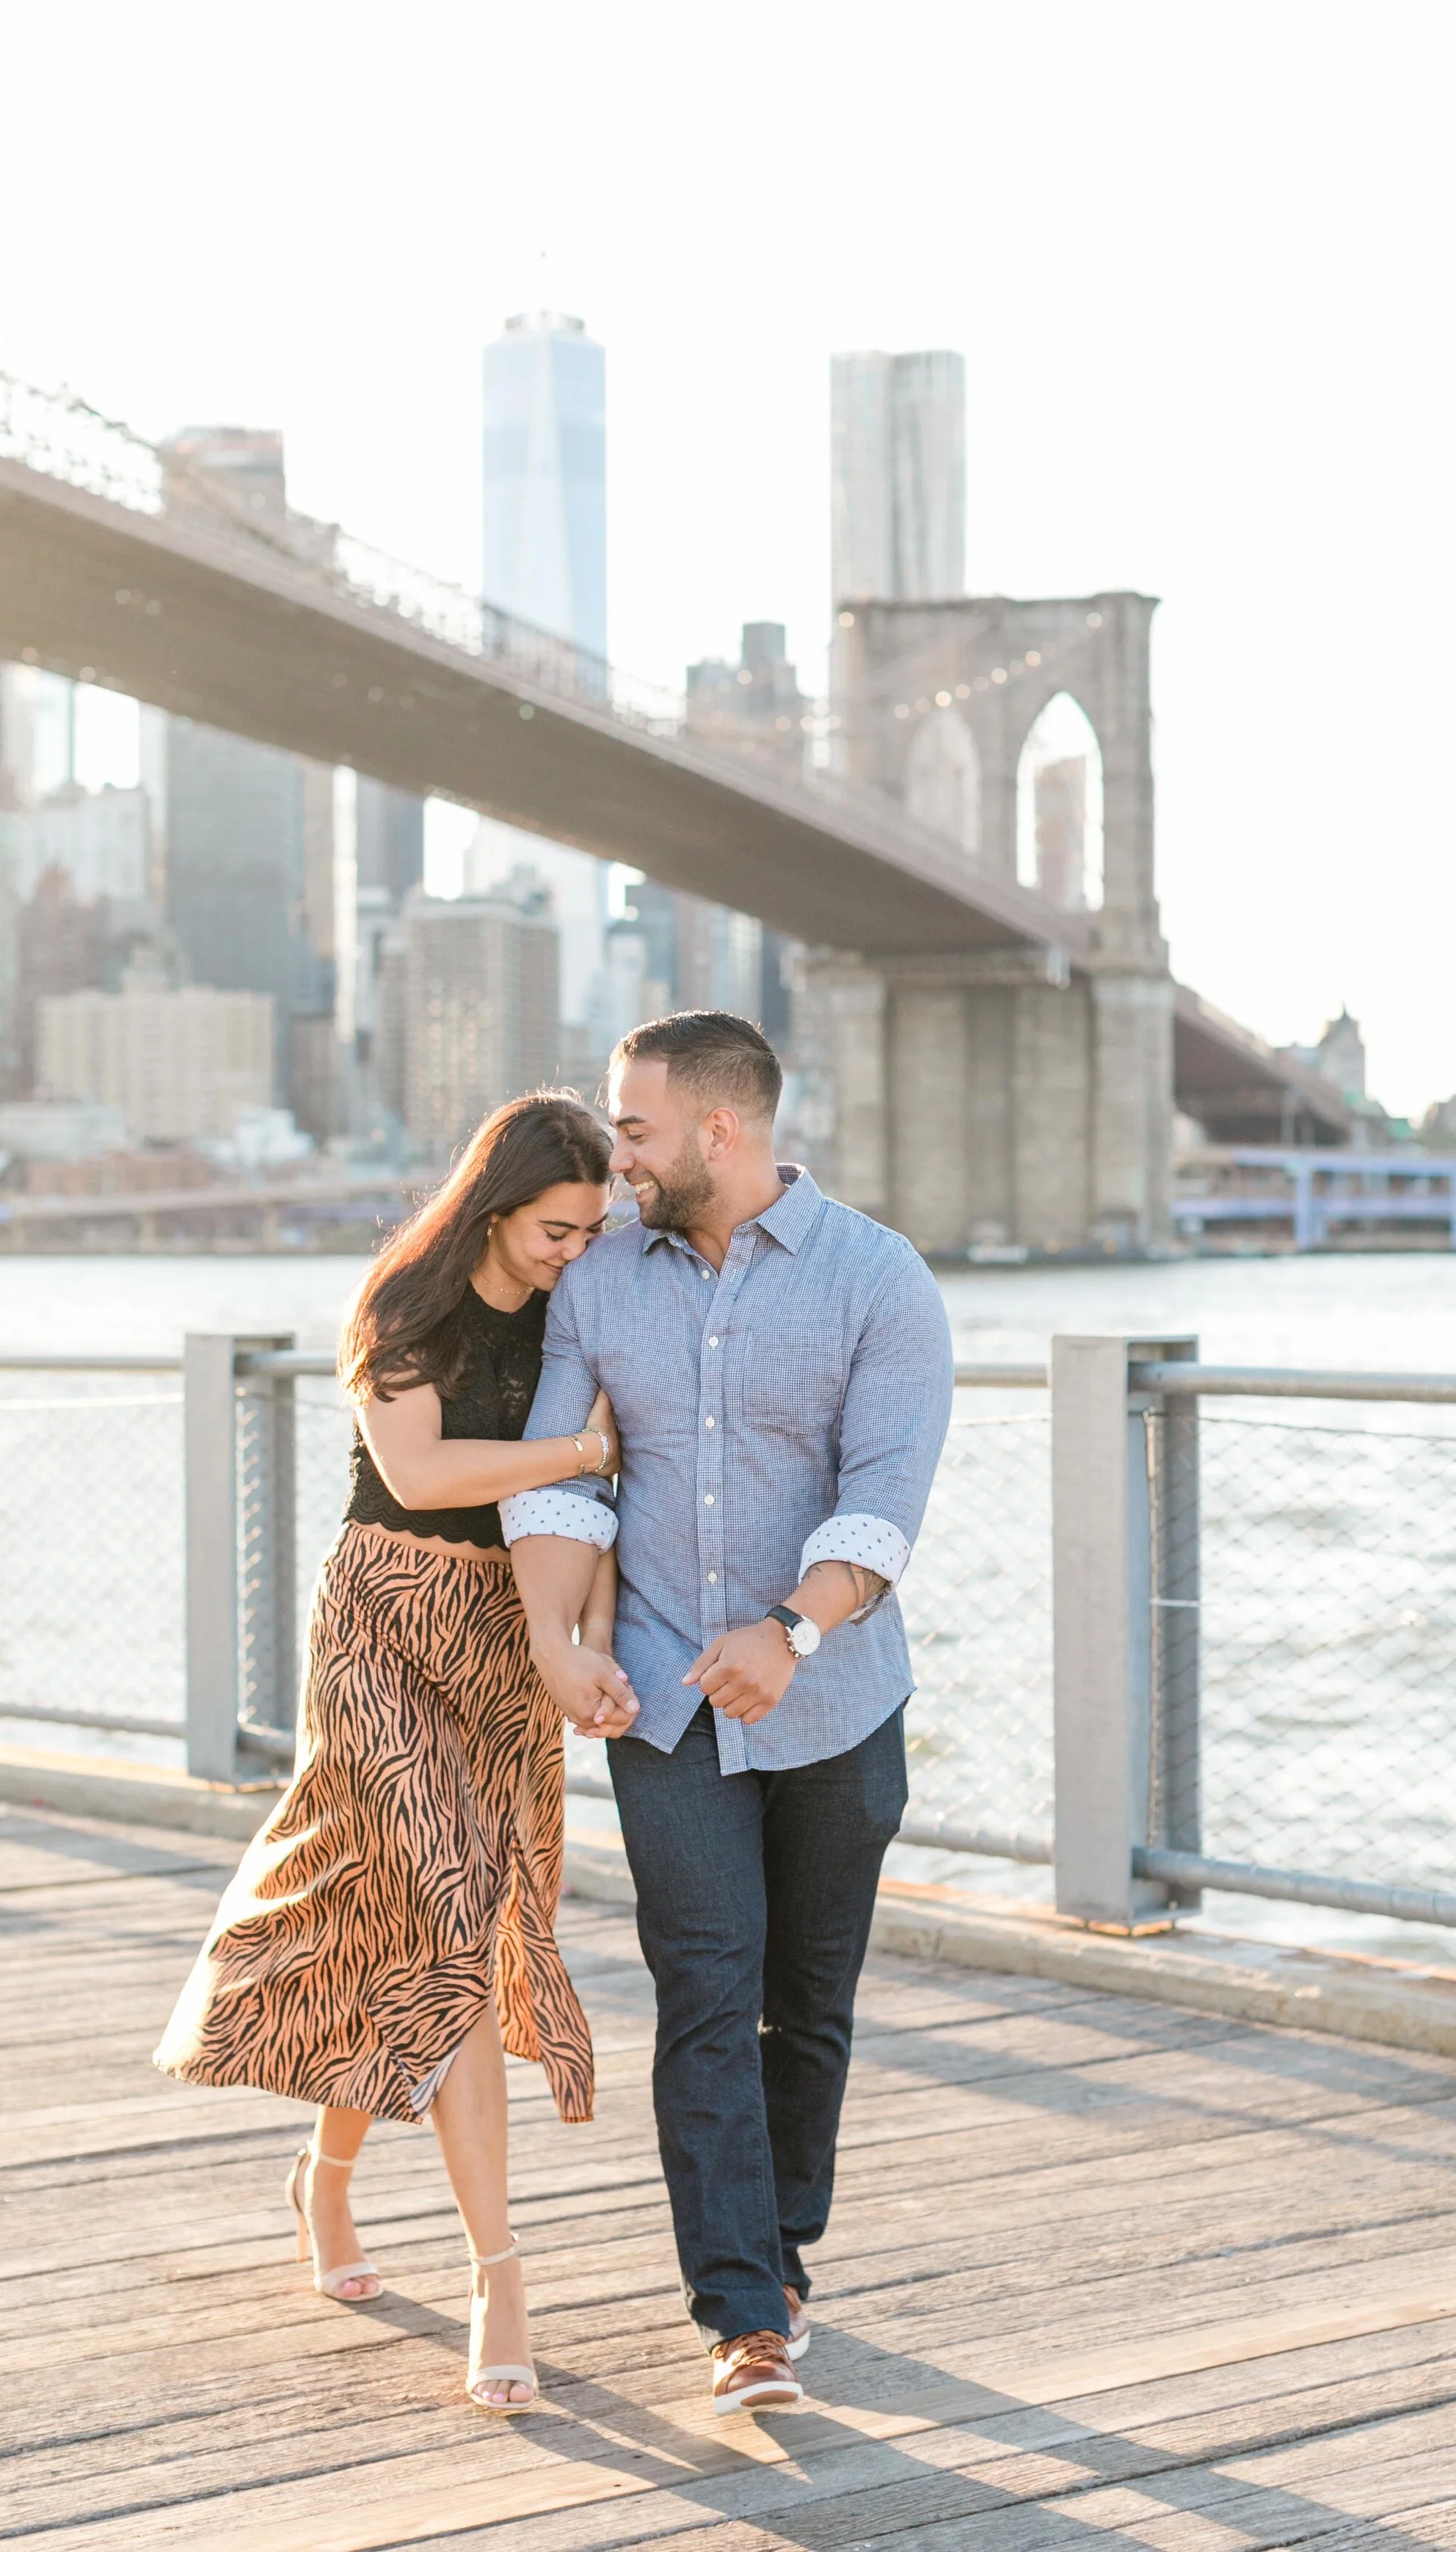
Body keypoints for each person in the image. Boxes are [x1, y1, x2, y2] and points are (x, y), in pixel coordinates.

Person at [155, 1092, 636, 2415]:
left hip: (505, 1630)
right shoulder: (402, 1302)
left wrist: (586, 1629)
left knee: (421, 1924)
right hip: (382, 1620)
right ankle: (501, 2269)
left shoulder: (581, 1310)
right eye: (556, 1227)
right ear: (496, 1206)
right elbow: (420, 1471)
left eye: (594, 1229)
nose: (575, 1251)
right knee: (447, 1900)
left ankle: (326, 2177)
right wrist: (589, 1439)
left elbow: (591, 1505)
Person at [504, 1011, 953, 2417]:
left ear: (718, 1130)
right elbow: (563, 1479)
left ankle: (785, 2251)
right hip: (664, 1706)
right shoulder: (599, 1284)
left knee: (807, 2005)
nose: (614, 1153)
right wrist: (558, 1640)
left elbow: (882, 1503)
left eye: (632, 1128)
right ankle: (742, 2311)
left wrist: (793, 1629)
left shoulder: (882, 1281)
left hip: (836, 1698)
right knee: (707, 1990)